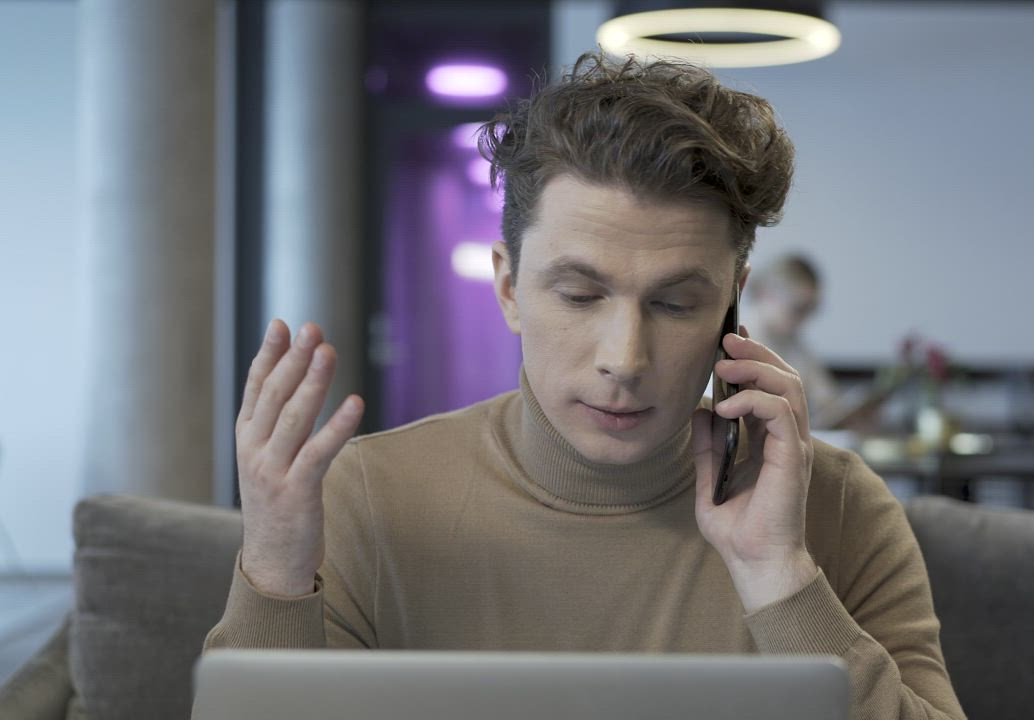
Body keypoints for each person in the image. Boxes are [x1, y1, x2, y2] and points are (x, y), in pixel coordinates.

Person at [204, 52, 964, 720]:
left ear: (732, 302)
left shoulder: (837, 507)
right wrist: (274, 568)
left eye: (675, 303)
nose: (624, 359)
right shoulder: (365, 497)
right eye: (578, 294)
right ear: (507, 289)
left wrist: (779, 574)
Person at [746, 255, 904, 431]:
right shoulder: (738, 339)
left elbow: (827, 399)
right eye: (798, 308)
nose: (805, 319)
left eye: (811, 309)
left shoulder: (795, 343)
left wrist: (855, 414)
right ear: (764, 293)